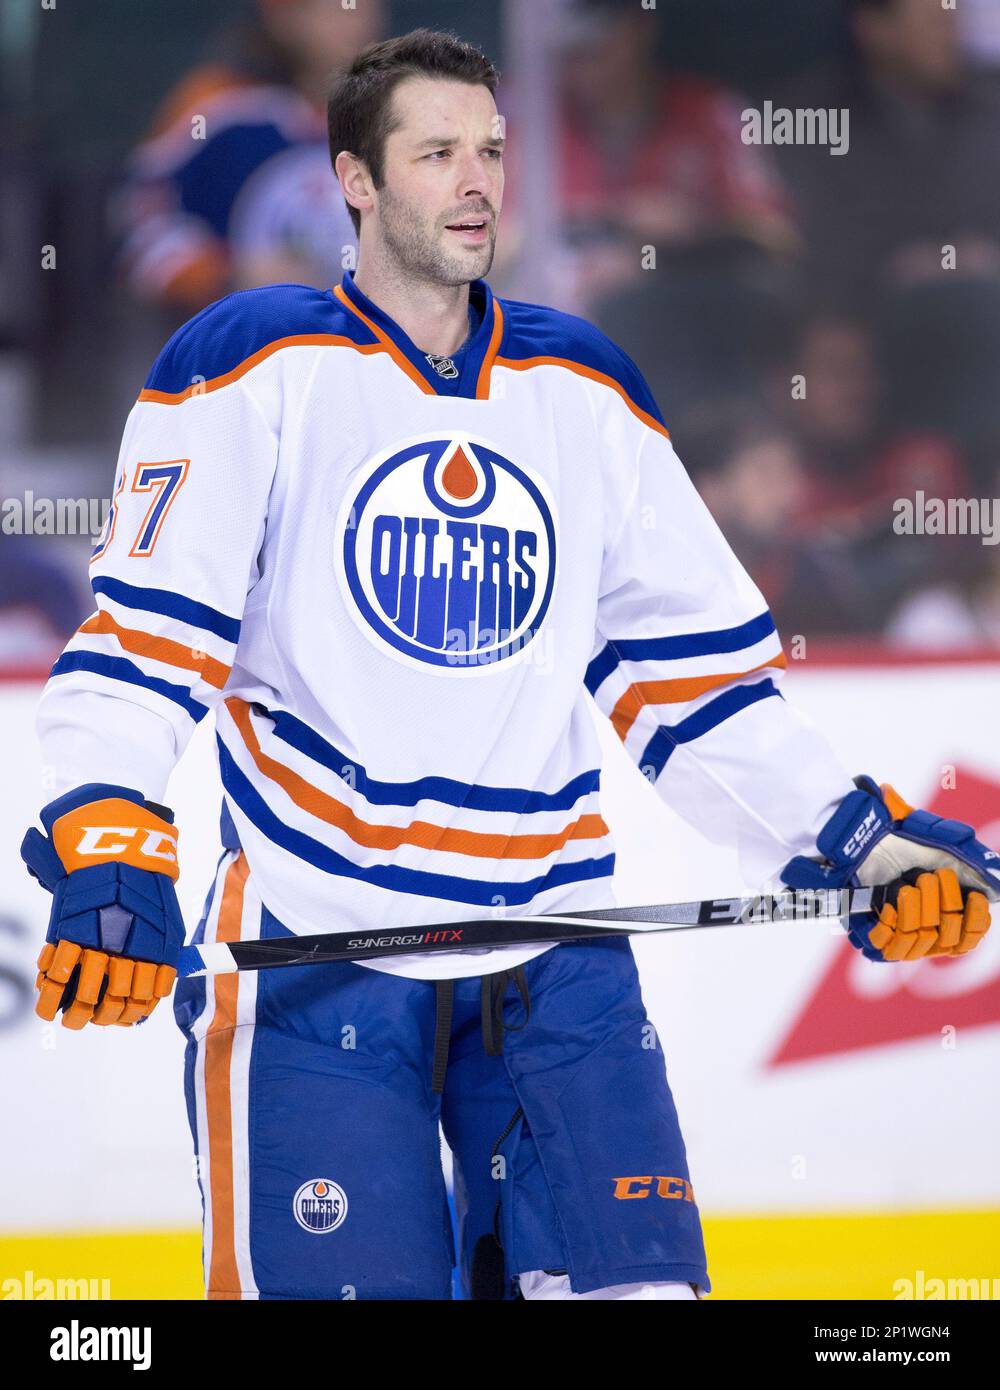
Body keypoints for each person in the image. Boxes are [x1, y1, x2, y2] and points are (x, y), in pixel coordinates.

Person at [21, 29, 996, 1302]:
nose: (477, 179)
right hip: (319, 957)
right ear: (354, 183)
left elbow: (690, 692)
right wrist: (105, 833)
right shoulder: (248, 366)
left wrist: (861, 841)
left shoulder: (582, 385)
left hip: (557, 960)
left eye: (491, 149)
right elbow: (137, 653)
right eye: (436, 153)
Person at [116, 0, 384, 313]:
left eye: (370, 6)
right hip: (230, 342)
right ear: (283, 16)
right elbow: (139, 219)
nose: (358, 21)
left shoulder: (397, 111)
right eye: (336, 8)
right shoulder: (217, 105)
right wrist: (225, 275)